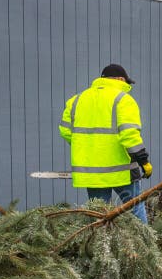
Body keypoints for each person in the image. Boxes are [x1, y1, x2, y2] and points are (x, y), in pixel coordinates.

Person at [59, 64, 152, 223]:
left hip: (92, 172)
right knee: (135, 210)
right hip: (122, 171)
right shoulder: (123, 100)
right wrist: (144, 161)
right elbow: (129, 135)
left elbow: (66, 131)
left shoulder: (76, 100)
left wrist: (89, 147)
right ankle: (145, 247)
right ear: (121, 79)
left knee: (99, 217)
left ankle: (100, 247)